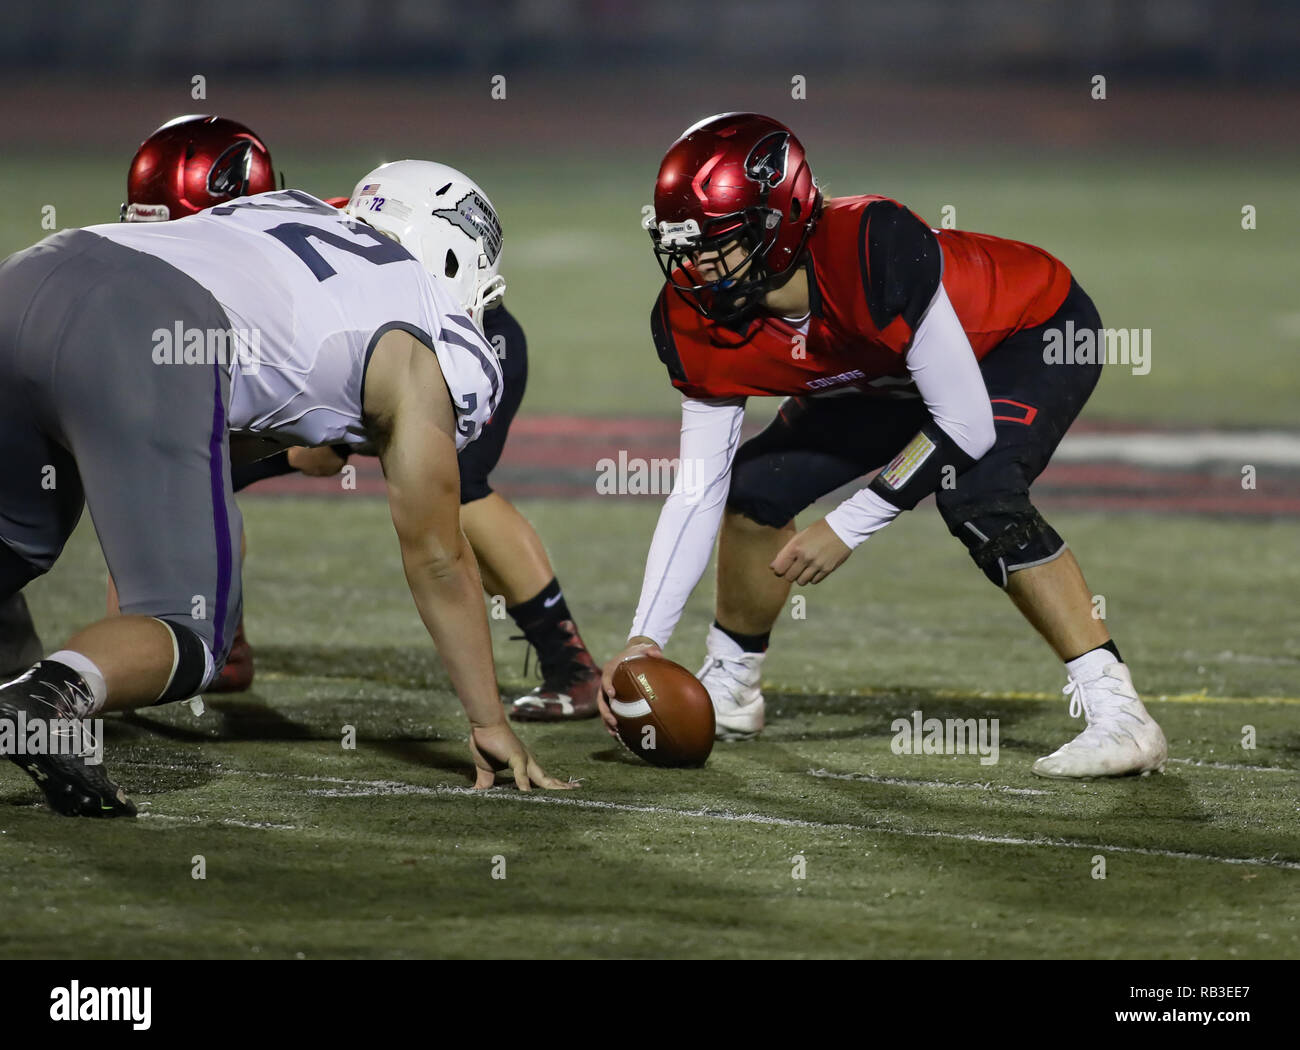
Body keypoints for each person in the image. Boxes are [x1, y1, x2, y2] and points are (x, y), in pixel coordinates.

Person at [600, 112, 1167, 779]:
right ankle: (731, 683)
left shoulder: (870, 247)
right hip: (883, 371)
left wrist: (847, 524)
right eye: (680, 244)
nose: (694, 265)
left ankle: (1120, 713)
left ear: (780, 223)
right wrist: (645, 641)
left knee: (979, 493)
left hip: (1024, 332)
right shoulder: (693, 318)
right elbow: (698, 489)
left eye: (716, 242)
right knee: (754, 491)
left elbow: (963, 422)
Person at [0, 171, 574, 816]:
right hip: (146, 325)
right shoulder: (426, 330)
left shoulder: (290, 211)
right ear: (459, 259)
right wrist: (488, 720)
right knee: (187, 629)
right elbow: (438, 555)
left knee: (15, 543)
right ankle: (41, 699)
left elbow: (236, 412)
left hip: (33, 274)